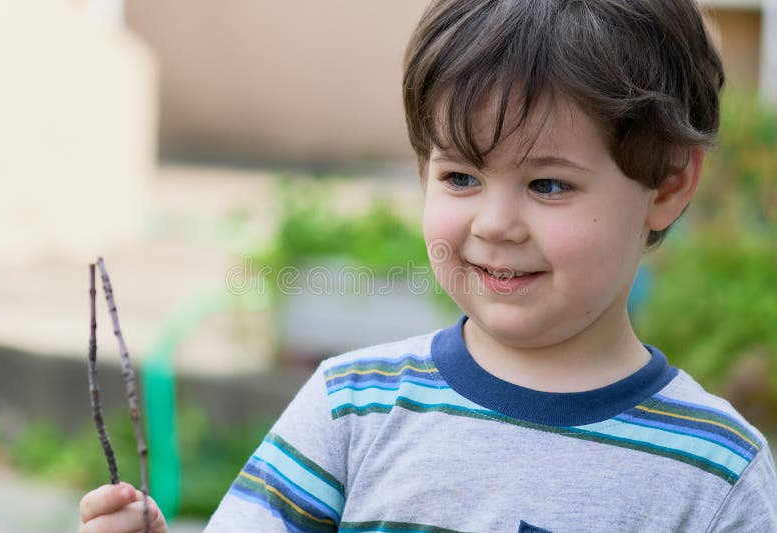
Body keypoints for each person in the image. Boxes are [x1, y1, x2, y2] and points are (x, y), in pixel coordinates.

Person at [79, 0, 777, 531]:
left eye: (548, 185)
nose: (493, 223)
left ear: (668, 184)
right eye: (460, 177)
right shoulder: (353, 403)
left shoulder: (716, 469)